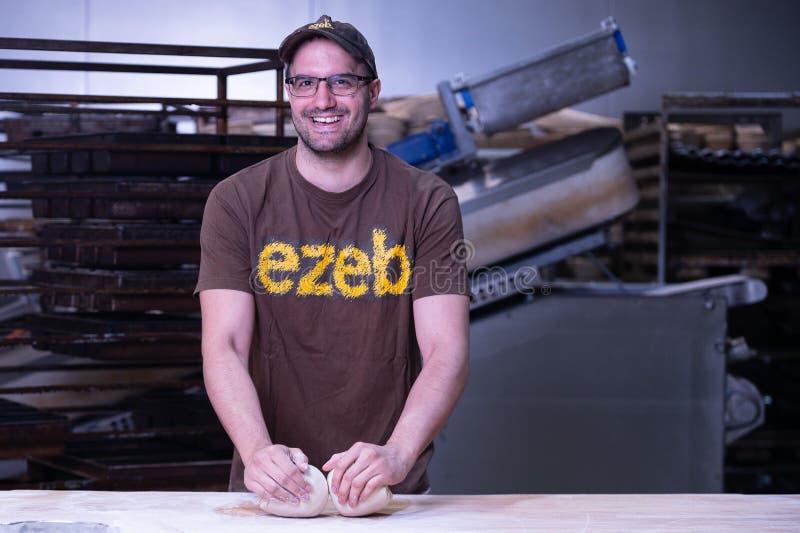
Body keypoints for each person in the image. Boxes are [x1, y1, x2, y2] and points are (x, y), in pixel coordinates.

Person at [196, 14, 469, 510]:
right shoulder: (236, 201)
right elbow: (225, 345)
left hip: (389, 491)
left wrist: (398, 452)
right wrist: (257, 453)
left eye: (341, 81)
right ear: (289, 93)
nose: (322, 100)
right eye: (305, 83)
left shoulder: (427, 201)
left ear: (372, 91)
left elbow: (446, 349)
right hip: (272, 491)